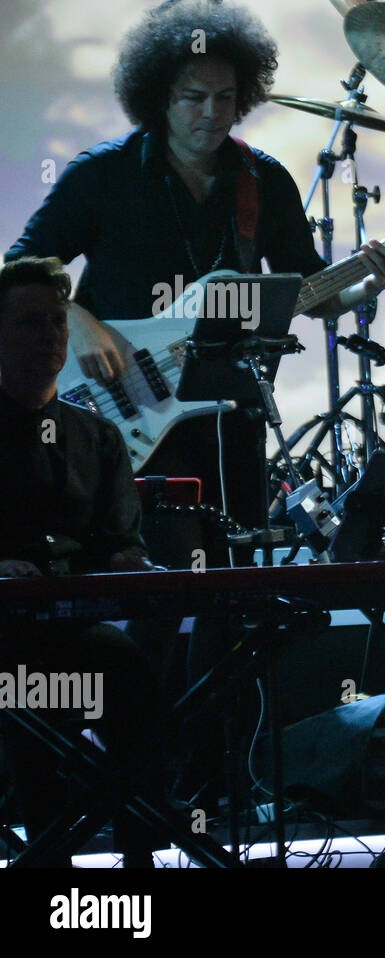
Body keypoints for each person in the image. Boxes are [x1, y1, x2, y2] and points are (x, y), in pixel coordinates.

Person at [5, 0, 385, 528]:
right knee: (148, 560)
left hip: (231, 409)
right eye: (194, 98)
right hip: (123, 406)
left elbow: (314, 296)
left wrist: (371, 283)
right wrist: (79, 323)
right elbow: (22, 268)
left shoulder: (263, 180)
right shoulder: (104, 175)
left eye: (225, 98)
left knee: (233, 569)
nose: (212, 112)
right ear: (159, 100)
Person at [0, 257, 166, 867]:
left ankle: (139, 863)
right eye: (29, 325)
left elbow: (121, 543)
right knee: (34, 705)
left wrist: (127, 561)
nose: (49, 338)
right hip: (6, 633)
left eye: (57, 324)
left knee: (132, 678)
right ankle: (52, 863)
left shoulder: (98, 437)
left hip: (67, 628)